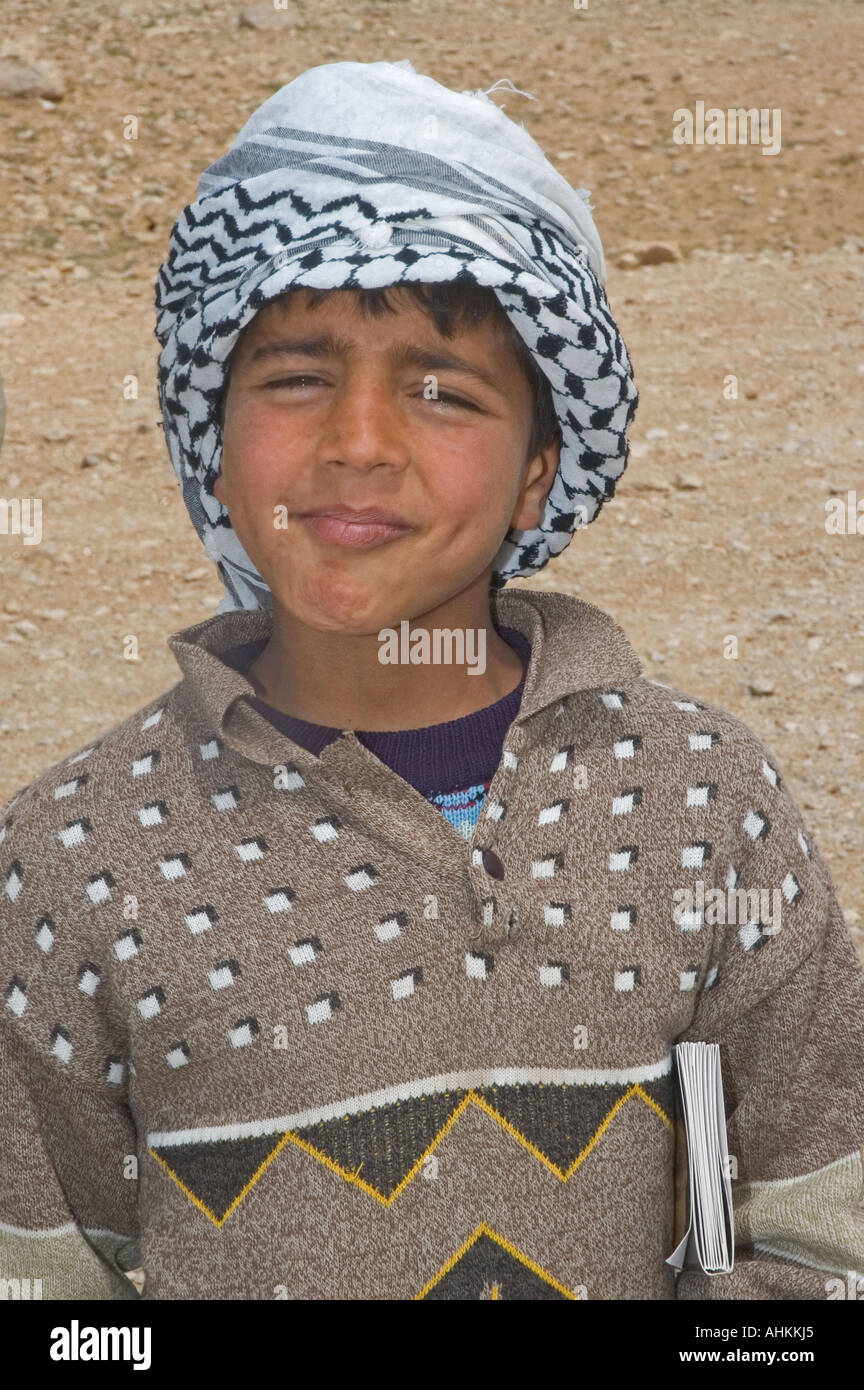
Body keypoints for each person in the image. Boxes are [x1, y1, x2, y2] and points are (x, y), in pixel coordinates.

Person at [1, 59, 862, 1302]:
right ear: (213, 438)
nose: (359, 442)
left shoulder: (703, 803)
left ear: (533, 473)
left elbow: (818, 1243)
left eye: (442, 392)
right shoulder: (74, 855)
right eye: (296, 378)